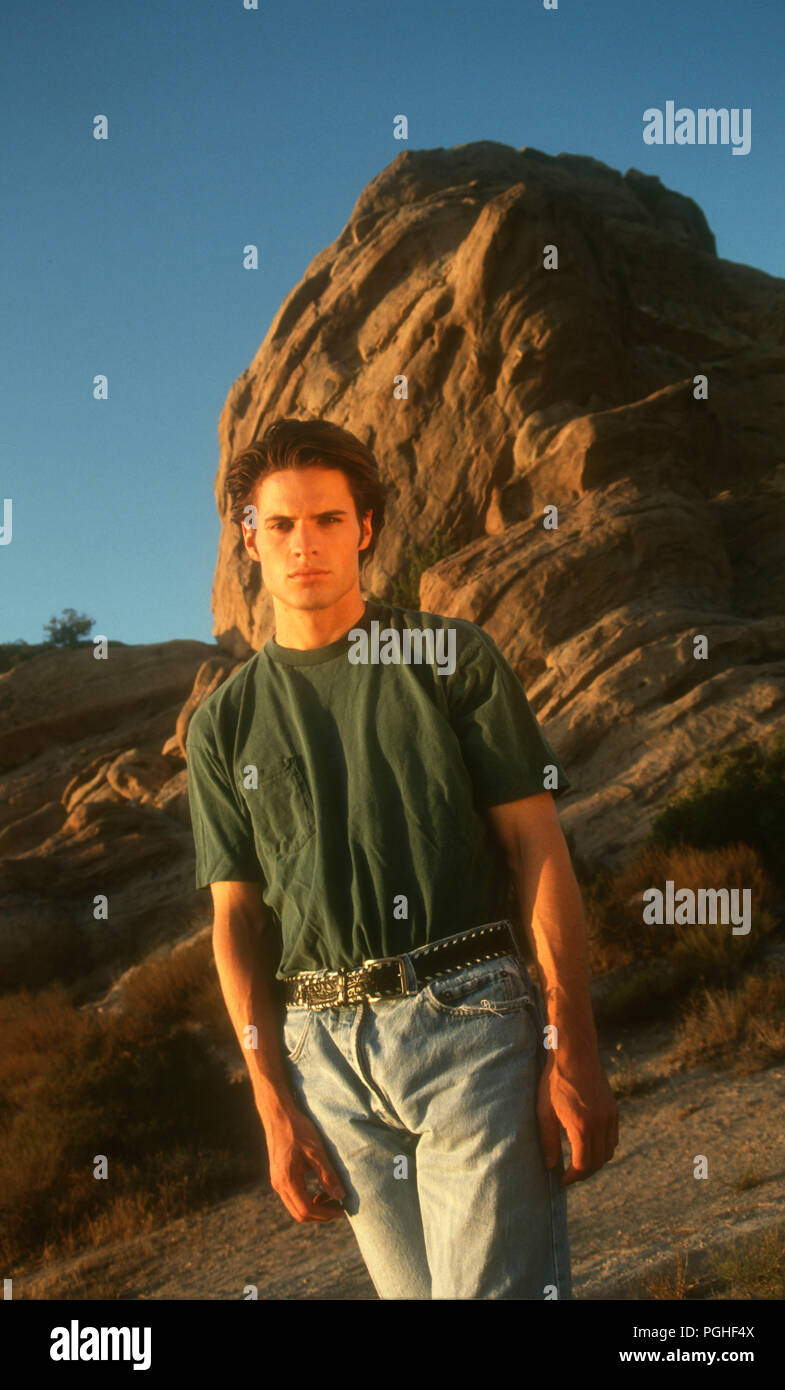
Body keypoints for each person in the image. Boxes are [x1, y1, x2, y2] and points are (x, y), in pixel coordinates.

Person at [185, 417, 619, 1300]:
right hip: (322, 1058)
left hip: (470, 1021)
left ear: (365, 528)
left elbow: (537, 846)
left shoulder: (450, 658)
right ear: (249, 540)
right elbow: (236, 922)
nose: (305, 544)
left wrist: (570, 1042)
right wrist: (271, 1101)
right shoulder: (222, 725)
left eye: (328, 520)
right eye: (281, 525)